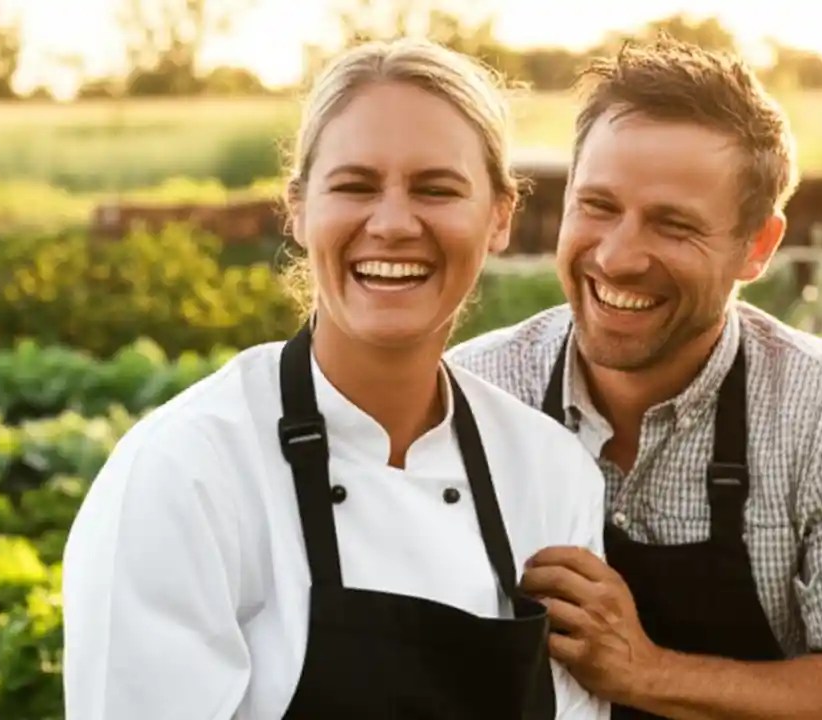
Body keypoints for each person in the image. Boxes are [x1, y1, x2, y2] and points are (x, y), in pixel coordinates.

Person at [61, 38, 611, 720]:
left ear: (501, 216)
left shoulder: (549, 471)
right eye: (354, 186)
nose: (392, 223)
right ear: (297, 207)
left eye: (436, 189)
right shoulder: (188, 470)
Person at [448, 37, 822, 720]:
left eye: (673, 225)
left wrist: (645, 672)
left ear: (758, 246)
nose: (618, 257)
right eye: (598, 206)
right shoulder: (473, 392)